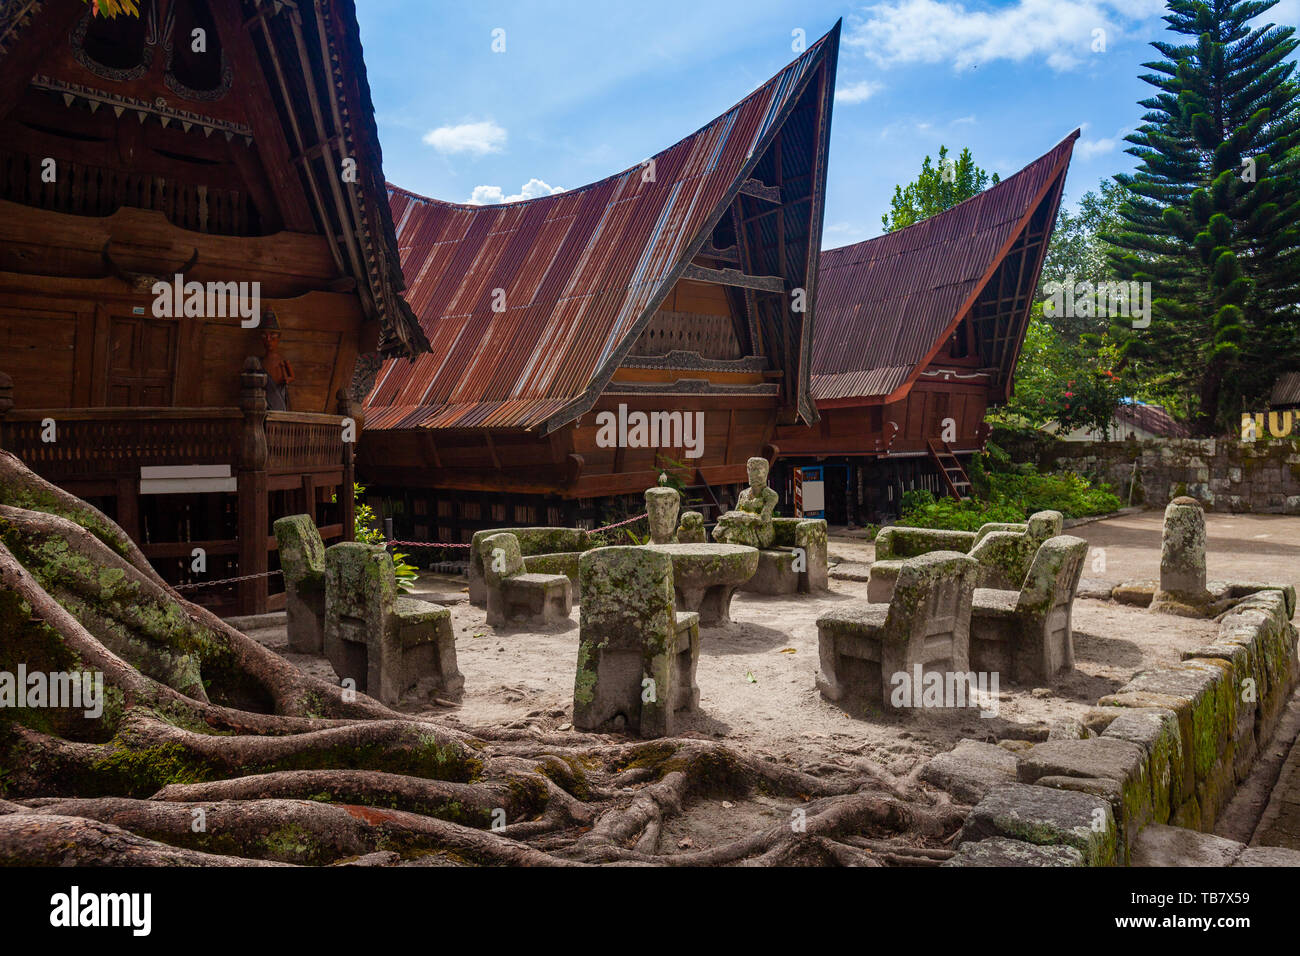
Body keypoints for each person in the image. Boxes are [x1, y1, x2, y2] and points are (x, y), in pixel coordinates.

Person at [712, 456, 778, 549]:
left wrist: (746, 518)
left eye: (756, 470)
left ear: (765, 473)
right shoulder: (743, 493)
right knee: (722, 529)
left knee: (734, 533)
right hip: (743, 526)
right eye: (750, 470)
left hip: (760, 531)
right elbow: (736, 512)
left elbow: (764, 519)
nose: (752, 474)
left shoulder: (770, 495)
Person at [261, 311, 294, 411]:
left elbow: (291, 376)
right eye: (264, 336)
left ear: (279, 337)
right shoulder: (259, 363)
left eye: (272, 335)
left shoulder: (283, 361)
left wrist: (287, 380)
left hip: (280, 406)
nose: (268, 340)